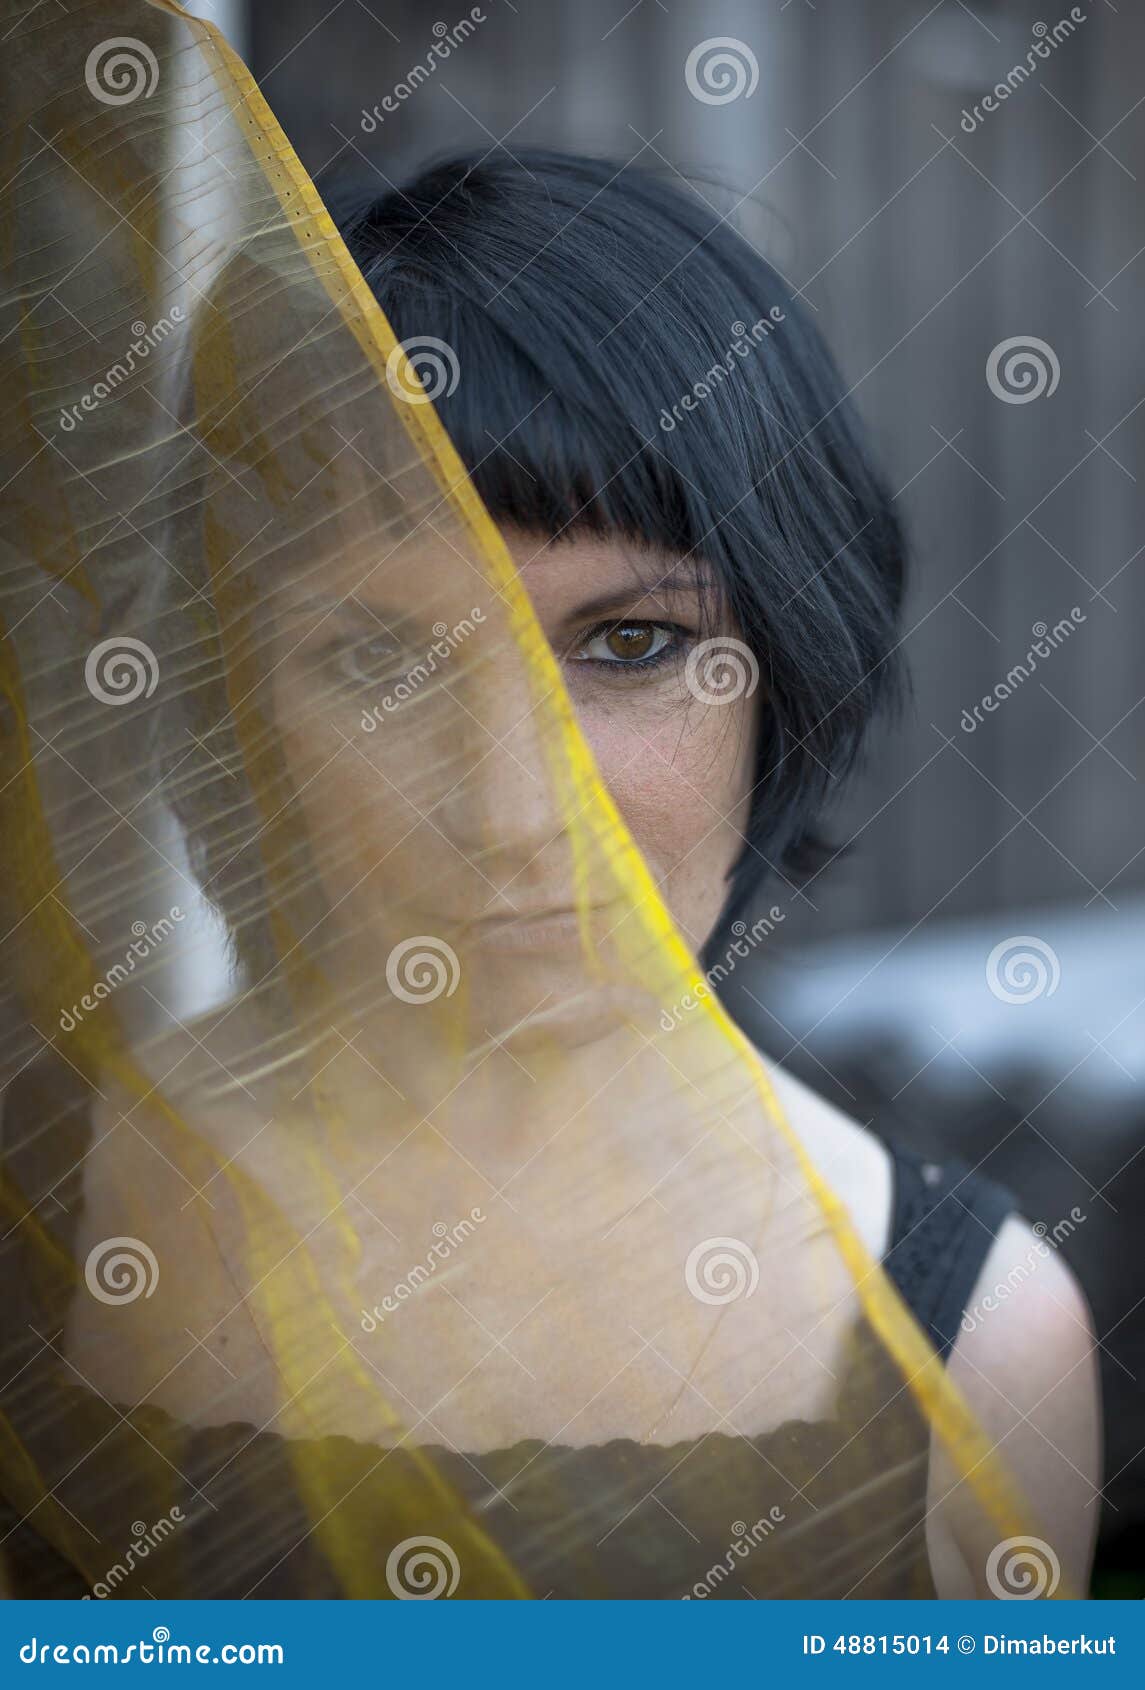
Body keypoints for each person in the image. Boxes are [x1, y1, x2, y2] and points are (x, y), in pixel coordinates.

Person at [0, 132, 1099, 1599]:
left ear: (788, 660)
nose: (518, 812)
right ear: (228, 709)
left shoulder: (979, 1341)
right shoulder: (35, 1237)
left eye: (630, 644)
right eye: (382, 661)